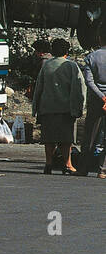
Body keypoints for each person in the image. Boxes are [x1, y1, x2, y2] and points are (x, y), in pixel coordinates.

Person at [32, 38, 85, 175]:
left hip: (47, 108)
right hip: (66, 109)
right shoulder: (71, 66)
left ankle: (48, 163)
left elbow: (39, 88)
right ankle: (67, 164)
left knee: (49, 138)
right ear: (66, 52)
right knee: (66, 138)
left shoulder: (46, 65)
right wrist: (79, 107)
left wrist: (35, 108)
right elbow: (79, 88)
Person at [79, 38, 106, 179]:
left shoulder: (91, 57)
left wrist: (102, 97)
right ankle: (102, 170)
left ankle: (83, 168)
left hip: (96, 101)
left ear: (100, 39)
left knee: (90, 135)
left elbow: (89, 81)